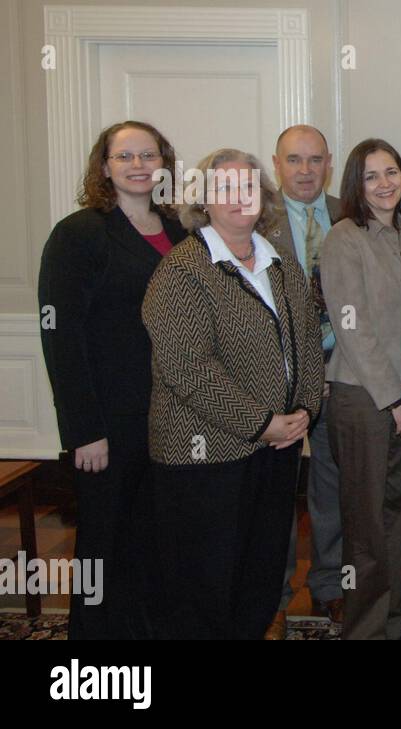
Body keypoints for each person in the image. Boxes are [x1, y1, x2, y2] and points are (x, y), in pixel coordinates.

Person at [142, 148, 323, 639]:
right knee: (204, 586)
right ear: (202, 200)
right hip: (205, 456)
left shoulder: (279, 261)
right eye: (224, 188)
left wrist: (304, 409)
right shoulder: (182, 271)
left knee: (259, 575)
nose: (238, 198)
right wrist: (262, 423)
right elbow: (189, 369)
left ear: (263, 197)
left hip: (276, 448)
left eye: (247, 187)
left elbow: (306, 338)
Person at [38, 120, 186, 639]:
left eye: (149, 155)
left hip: (171, 419)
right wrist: (84, 430)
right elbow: (62, 338)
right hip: (109, 423)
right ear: (104, 166)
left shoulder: (179, 231)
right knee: (104, 546)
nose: (140, 165)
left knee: (155, 544)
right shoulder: (78, 235)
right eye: (126, 157)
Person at [319, 138, 401, 640]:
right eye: (371, 176)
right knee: (365, 520)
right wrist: (394, 397)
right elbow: (351, 325)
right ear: (355, 186)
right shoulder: (345, 237)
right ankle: (363, 630)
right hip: (364, 395)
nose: (385, 183)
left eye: (391, 172)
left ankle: (391, 621)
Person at [264, 124, 344, 637]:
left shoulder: (348, 213)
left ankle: (331, 584)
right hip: (275, 380)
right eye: (295, 160)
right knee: (274, 492)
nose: (305, 170)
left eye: (315, 160)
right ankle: (272, 594)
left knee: (334, 485)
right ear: (277, 164)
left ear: (329, 163)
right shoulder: (255, 218)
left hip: (340, 370)